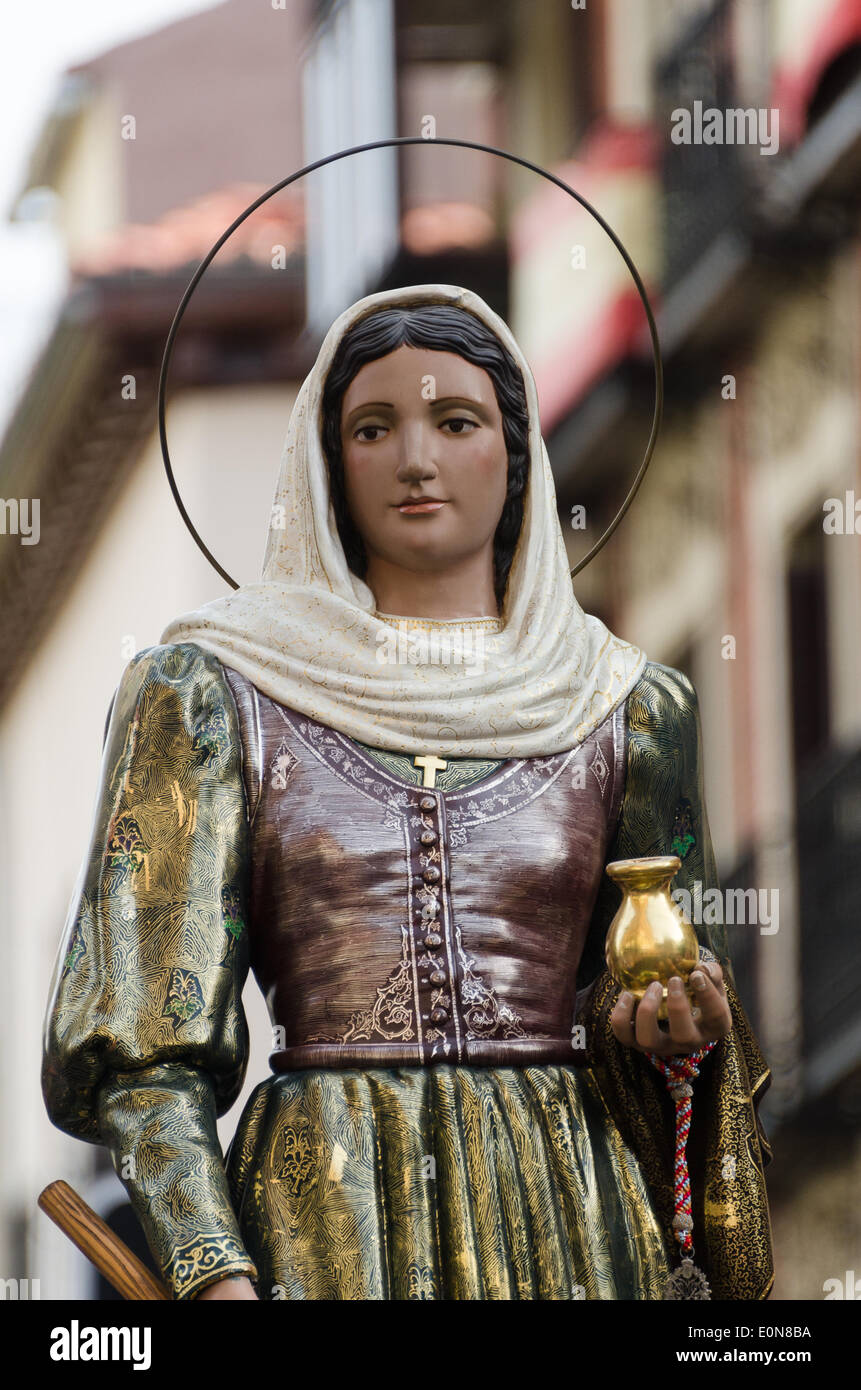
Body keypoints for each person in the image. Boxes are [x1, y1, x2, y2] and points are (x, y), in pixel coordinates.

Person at [42, 283, 774, 1301]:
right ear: (327, 463)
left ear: (516, 457)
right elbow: (142, 1052)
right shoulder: (211, 693)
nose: (415, 459)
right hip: (323, 1214)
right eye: (373, 428)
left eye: (456, 422)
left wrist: (662, 1023)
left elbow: (669, 985)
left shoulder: (626, 707)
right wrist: (213, 1271)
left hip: (566, 1212)